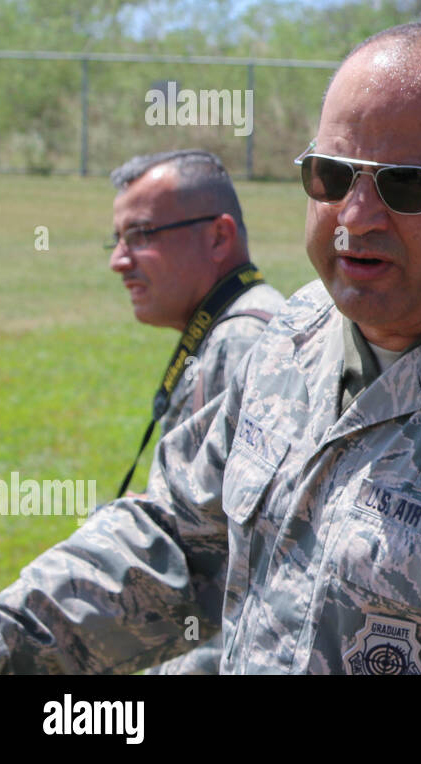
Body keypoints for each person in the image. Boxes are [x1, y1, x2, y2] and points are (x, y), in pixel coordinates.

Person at [0, 23, 421, 674]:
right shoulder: (288, 340)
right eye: (331, 176)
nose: (356, 217)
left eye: (405, 185)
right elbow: (176, 542)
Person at [106, 148, 286, 674]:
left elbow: (235, 560)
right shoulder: (231, 330)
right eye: (117, 239)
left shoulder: (245, 343)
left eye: (140, 235)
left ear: (218, 237)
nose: (118, 260)